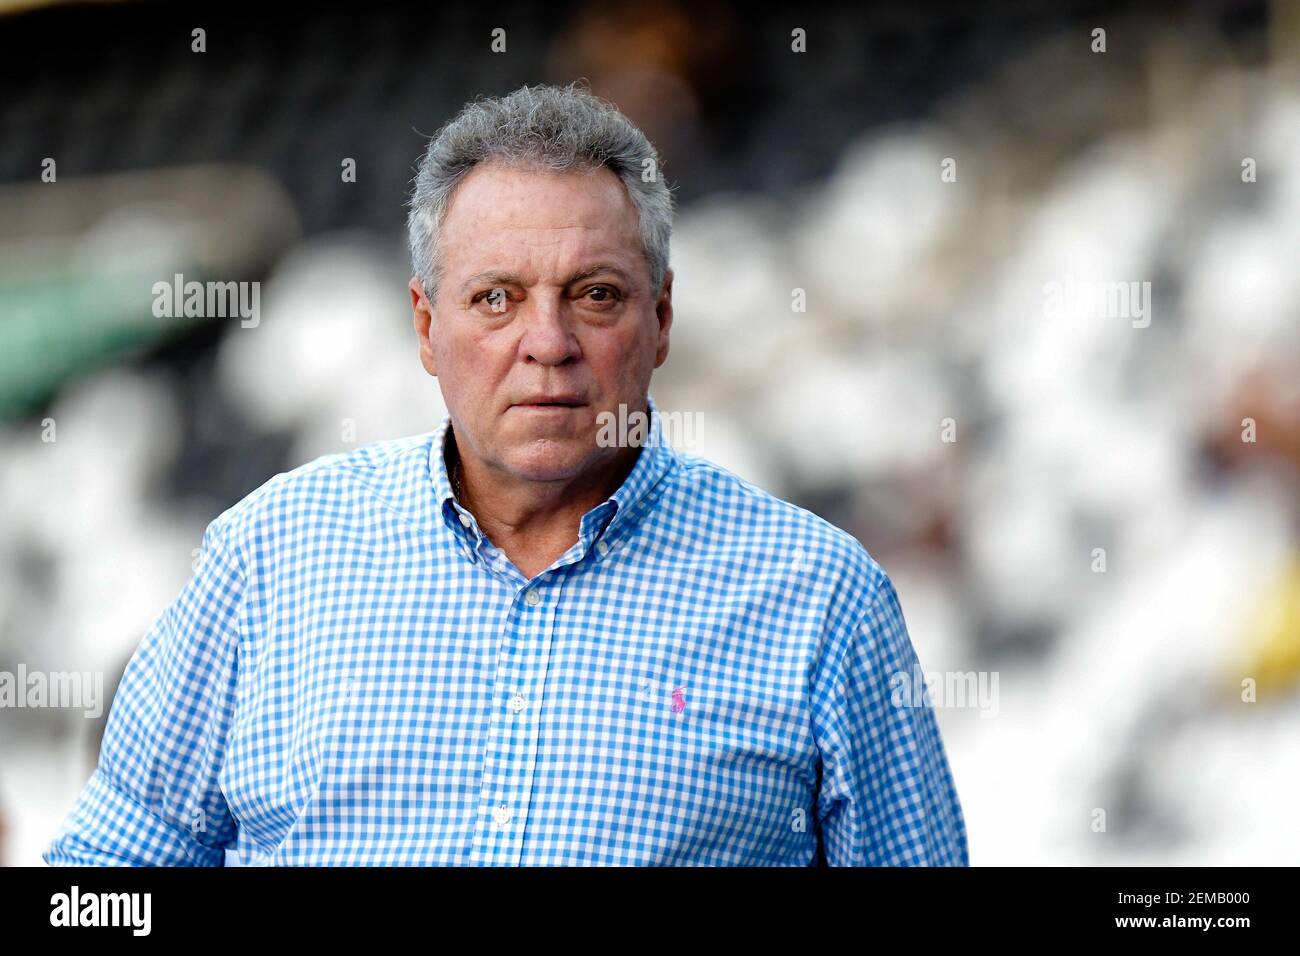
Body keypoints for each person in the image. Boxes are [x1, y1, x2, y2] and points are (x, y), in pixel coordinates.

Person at [45, 82, 968, 866]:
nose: (548, 346)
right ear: (424, 327)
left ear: (663, 317)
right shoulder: (266, 559)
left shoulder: (820, 599)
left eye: (595, 295)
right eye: (496, 298)